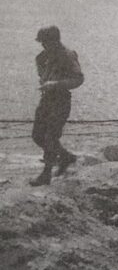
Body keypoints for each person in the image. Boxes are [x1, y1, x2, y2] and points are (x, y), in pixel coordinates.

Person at [30, 26, 84, 186]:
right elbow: (42, 72)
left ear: (55, 40)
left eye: (45, 42)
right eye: (42, 43)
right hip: (46, 100)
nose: (43, 45)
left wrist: (55, 84)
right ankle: (65, 157)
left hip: (60, 100)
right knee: (37, 135)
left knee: (50, 137)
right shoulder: (43, 56)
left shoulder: (67, 55)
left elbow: (78, 79)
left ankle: (46, 175)